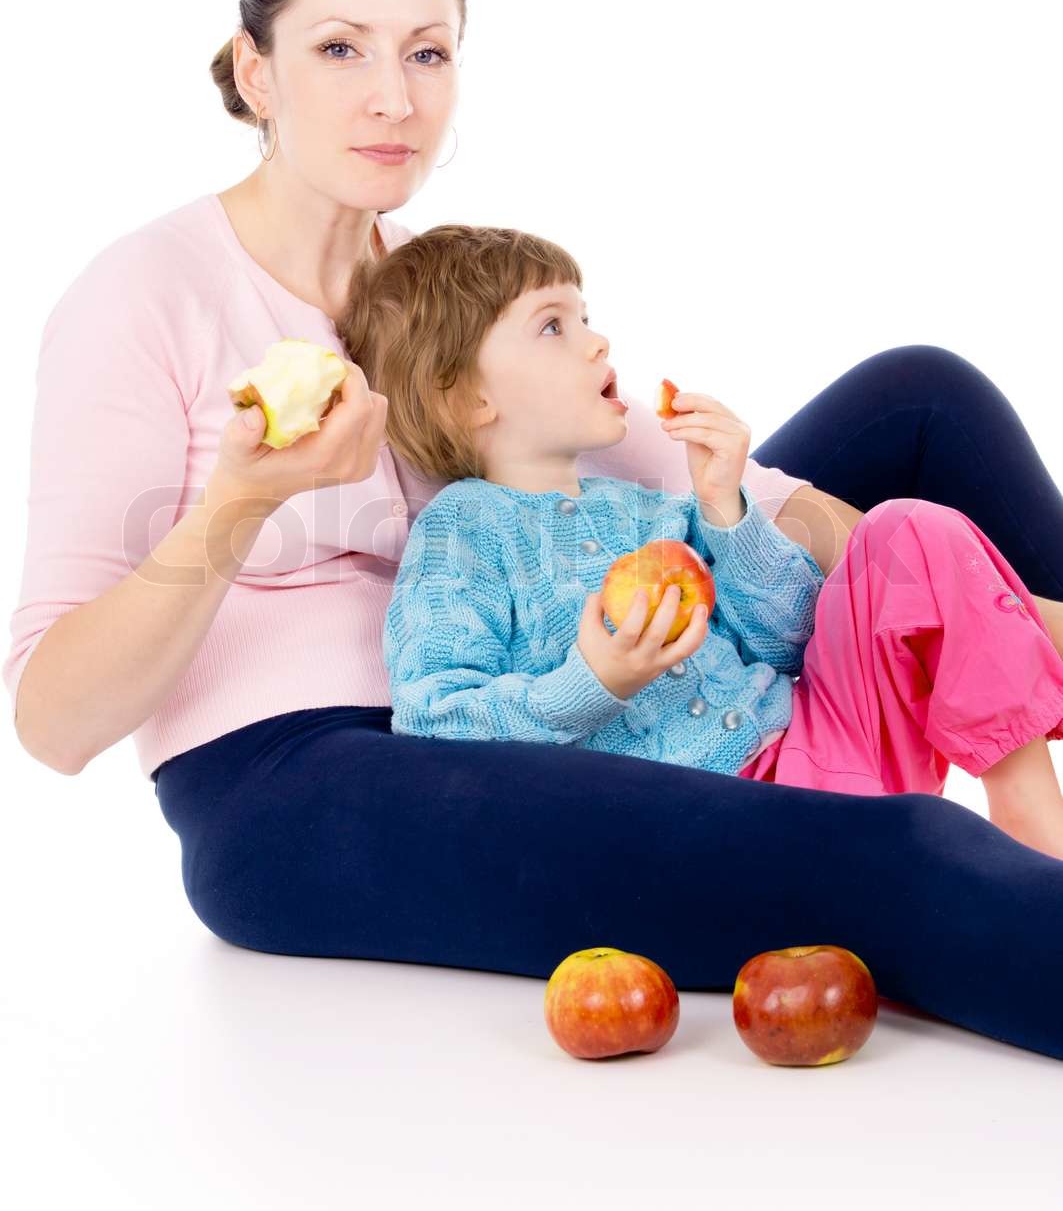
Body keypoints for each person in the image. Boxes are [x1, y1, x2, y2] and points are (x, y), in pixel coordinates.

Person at [6, 0, 1063, 1062]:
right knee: (886, 853)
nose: (395, 97)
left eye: (427, 51)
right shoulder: (142, 295)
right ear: (257, 72)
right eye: (341, 48)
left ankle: (1021, 686)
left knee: (920, 401)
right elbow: (52, 720)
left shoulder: (443, 290)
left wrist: (991, 613)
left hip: (579, 673)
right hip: (319, 767)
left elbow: (732, 489)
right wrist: (242, 502)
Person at [342, 222, 1063, 849]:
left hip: (827, 748)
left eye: (586, 316)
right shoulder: (460, 533)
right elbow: (433, 719)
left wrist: (726, 511)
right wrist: (590, 683)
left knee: (908, 526)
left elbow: (790, 643)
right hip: (716, 826)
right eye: (553, 326)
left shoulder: (650, 511)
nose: (597, 342)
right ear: (467, 396)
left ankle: (1030, 816)